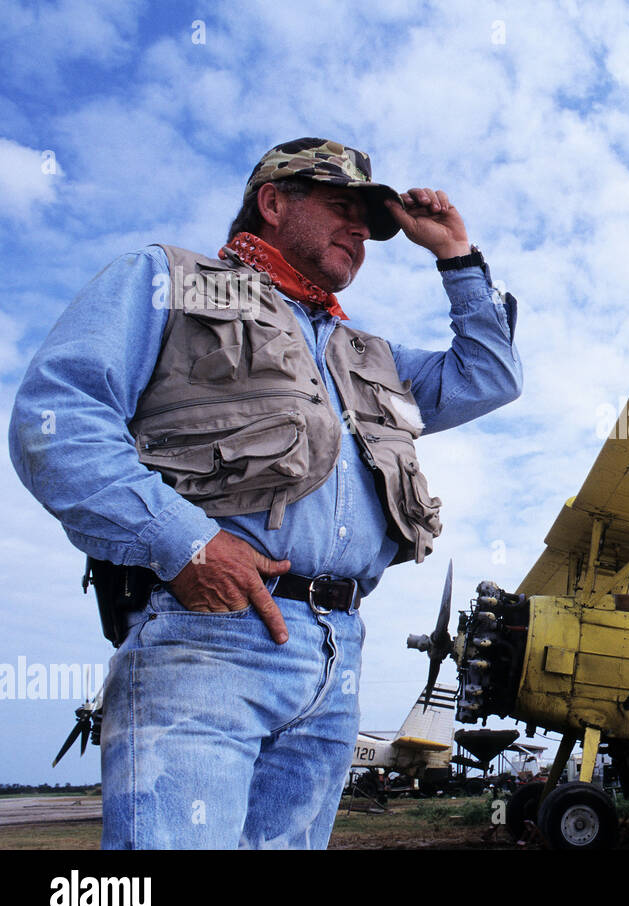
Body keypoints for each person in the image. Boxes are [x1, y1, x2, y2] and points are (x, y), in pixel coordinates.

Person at [8, 137, 523, 848]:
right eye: (341, 207)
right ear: (272, 203)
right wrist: (186, 544)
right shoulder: (170, 280)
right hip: (206, 635)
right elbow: (54, 423)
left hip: (337, 653)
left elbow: (489, 378)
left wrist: (456, 256)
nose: (360, 233)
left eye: (370, 226)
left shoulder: (364, 354)